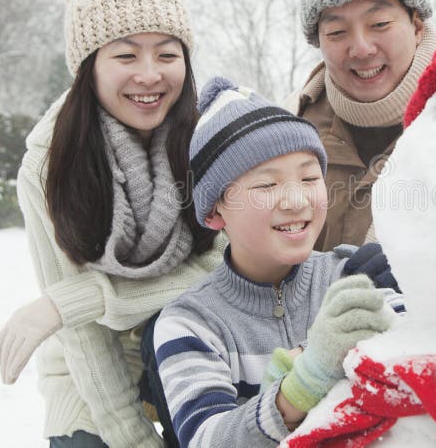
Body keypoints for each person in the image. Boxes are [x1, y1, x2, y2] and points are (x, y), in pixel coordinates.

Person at [0, 0, 226, 448]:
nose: (149, 75)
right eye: (125, 55)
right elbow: (81, 334)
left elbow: (225, 267)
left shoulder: (208, 136)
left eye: (167, 53)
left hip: (204, 341)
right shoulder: (48, 163)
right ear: (88, 67)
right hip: (88, 371)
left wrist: (78, 301)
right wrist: (132, 437)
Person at [153, 77, 402, 447]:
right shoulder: (191, 323)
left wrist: (412, 294)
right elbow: (206, 439)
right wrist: (304, 379)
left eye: (308, 177)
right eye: (267, 185)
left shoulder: (352, 277)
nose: (296, 200)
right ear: (215, 211)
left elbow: (431, 363)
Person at [286, 0, 436, 251]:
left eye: (380, 23)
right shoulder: (293, 131)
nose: (361, 48)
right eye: (337, 32)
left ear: (416, 26)